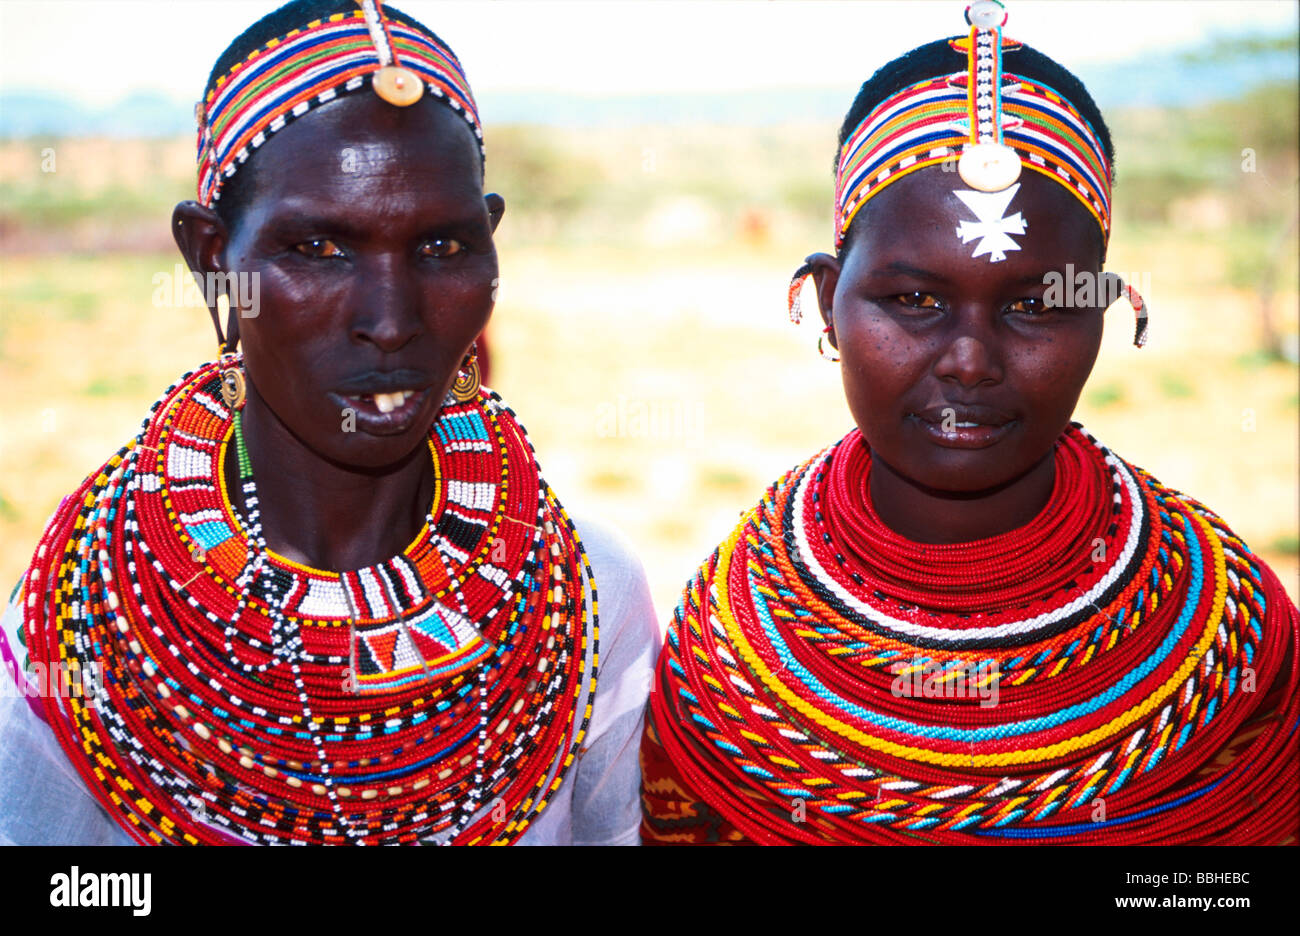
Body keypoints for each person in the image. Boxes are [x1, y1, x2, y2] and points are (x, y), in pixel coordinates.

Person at [640, 0, 1298, 845]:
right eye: (913, 300)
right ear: (827, 302)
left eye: (1034, 304)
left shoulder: (1226, 639)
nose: (970, 360)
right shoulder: (729, 654)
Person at [0, 0, 657, 846]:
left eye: (443, 247)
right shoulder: (87, 626)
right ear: (212, 263)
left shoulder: (588, 596)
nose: (390, 320)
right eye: (317, 249)